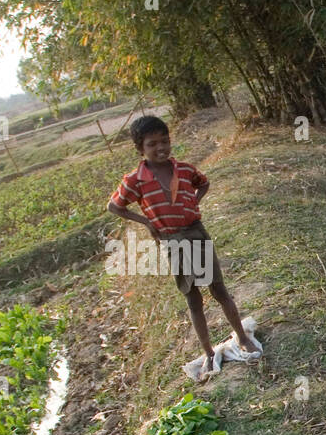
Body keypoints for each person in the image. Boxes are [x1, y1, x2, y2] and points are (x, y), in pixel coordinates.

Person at [107, 115, 259, 364]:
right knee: (193, 298)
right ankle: (209, 351)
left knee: (219, 289)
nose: (161, 148)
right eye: (152, 144)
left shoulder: (185, 170)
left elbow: (204, 183)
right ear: (140, 149)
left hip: (196, 232)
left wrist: (194, 202)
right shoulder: (135, 181)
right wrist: (147, 223)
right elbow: (114, 206)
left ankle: (242, 337)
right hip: (172, 240)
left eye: (164, 141)